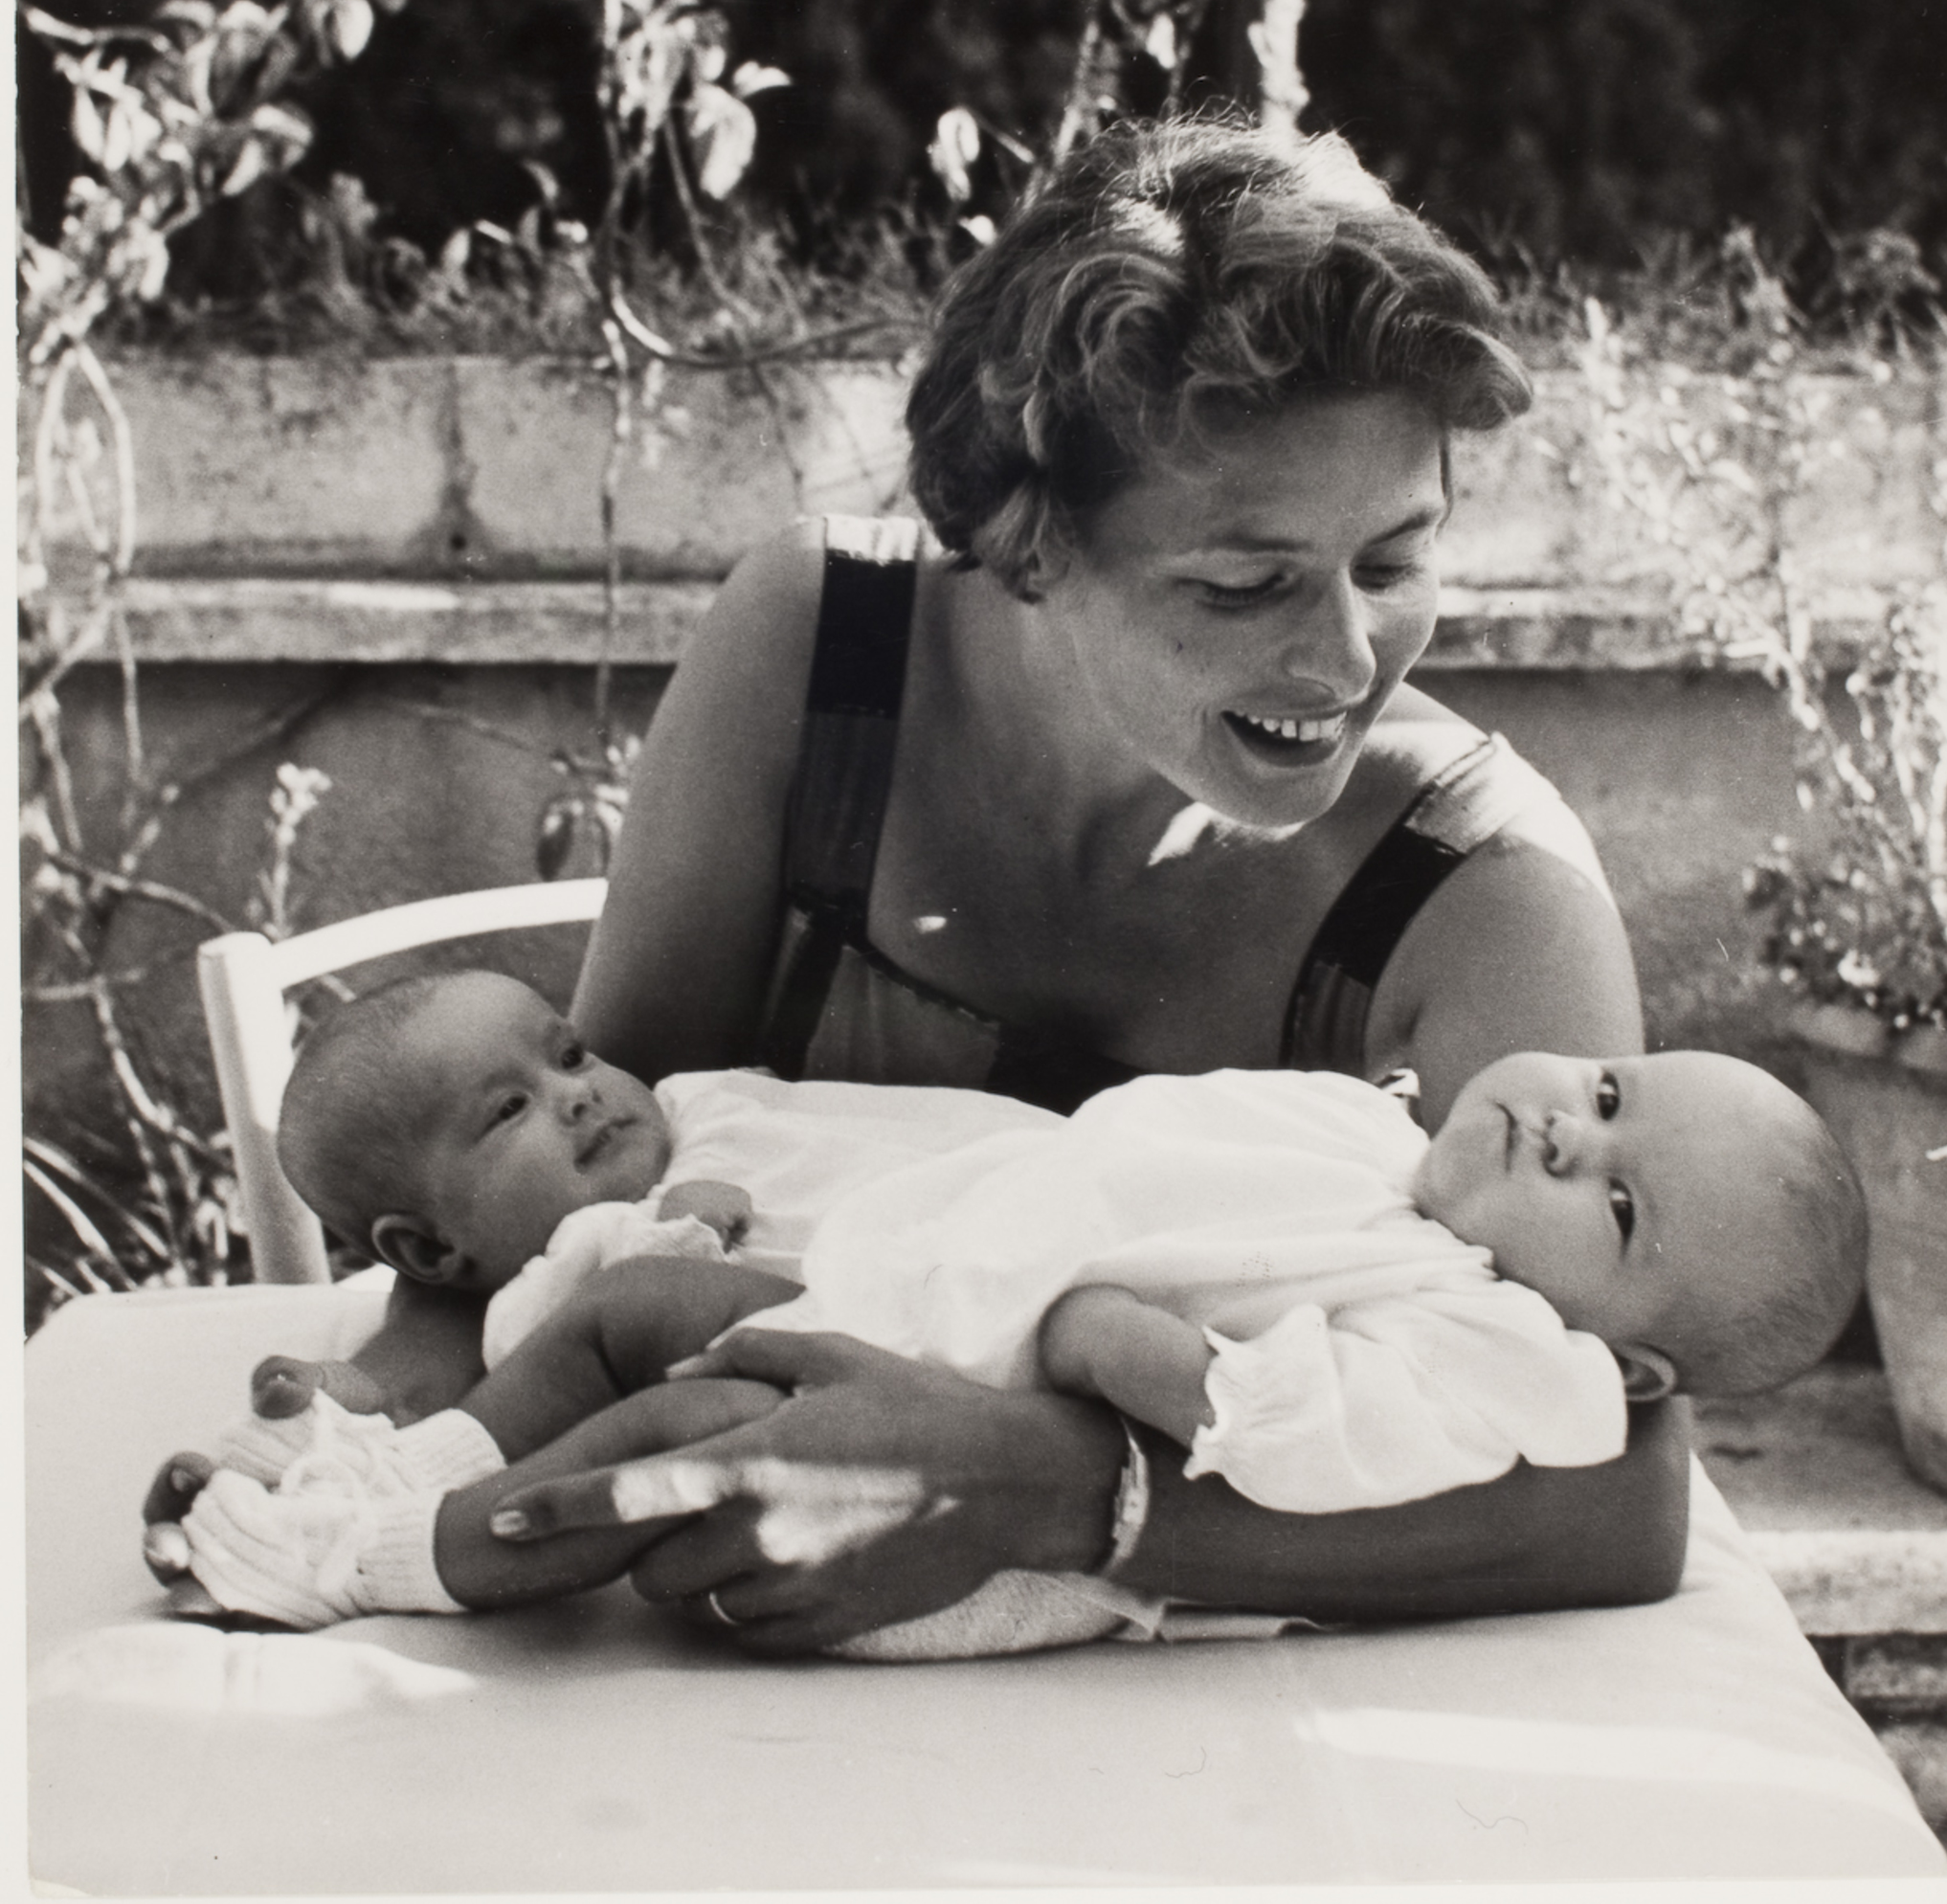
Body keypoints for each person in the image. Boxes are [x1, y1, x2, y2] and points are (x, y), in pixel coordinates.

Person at [151, 116, 1681, 1656]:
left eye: (1396, 563)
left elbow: (1623, 1501)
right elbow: (601, 1166)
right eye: (1243, 584)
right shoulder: (821, 656)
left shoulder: (1485, 890)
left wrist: (1047, 1491)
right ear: (1027, 537)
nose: (1346, 659)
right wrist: (385, 1406)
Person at [157, 952, 1861, 1648]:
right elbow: (530, 1191)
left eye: (1615, 1201)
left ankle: (374, 1565)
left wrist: (1104, 1383)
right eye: (1610, 1093)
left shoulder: (1489, 1324)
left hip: (991, 1487)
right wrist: (378, 1380)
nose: (1568, 1130)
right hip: (896, 1301)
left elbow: (1348, 1439)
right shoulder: (1390, 1139)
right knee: (634, 1308)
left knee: (673, 1434)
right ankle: (393, 1474)